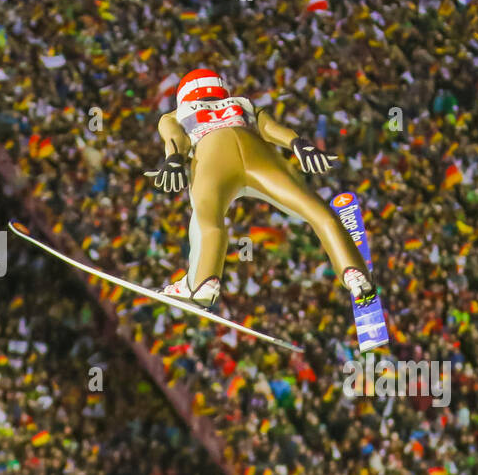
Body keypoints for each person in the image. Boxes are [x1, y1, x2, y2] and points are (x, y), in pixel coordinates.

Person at [144, 67, 377, 311]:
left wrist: (174, 158)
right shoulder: (242, 104)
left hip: (212, 156)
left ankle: (204, 280)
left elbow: (175, 138)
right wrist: (298, 143)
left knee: (208, 220)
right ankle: (354, 272)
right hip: (258, 153)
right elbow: (269, 128)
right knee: (316, 211)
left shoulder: (175, 114)